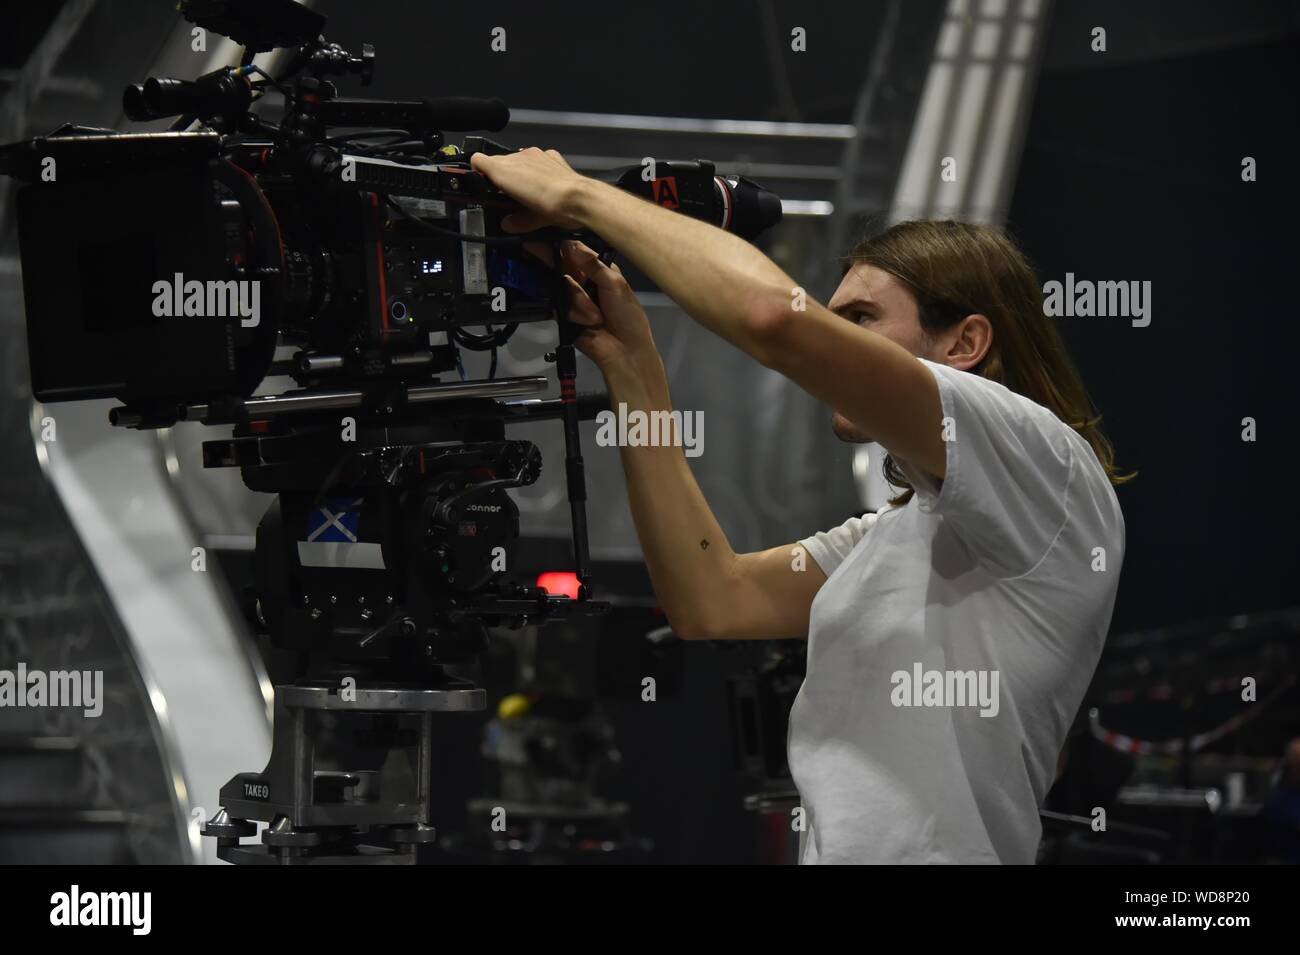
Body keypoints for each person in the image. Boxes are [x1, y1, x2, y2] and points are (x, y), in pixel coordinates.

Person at [470, 147, 1129, 864]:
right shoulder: (895, 534)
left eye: (862, 317)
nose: (837, 336)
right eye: (839, 317)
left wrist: (580, 196)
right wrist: (633, 368)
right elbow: (711, 598)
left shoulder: (1049, 469)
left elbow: (773, 319)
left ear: (965, 342)